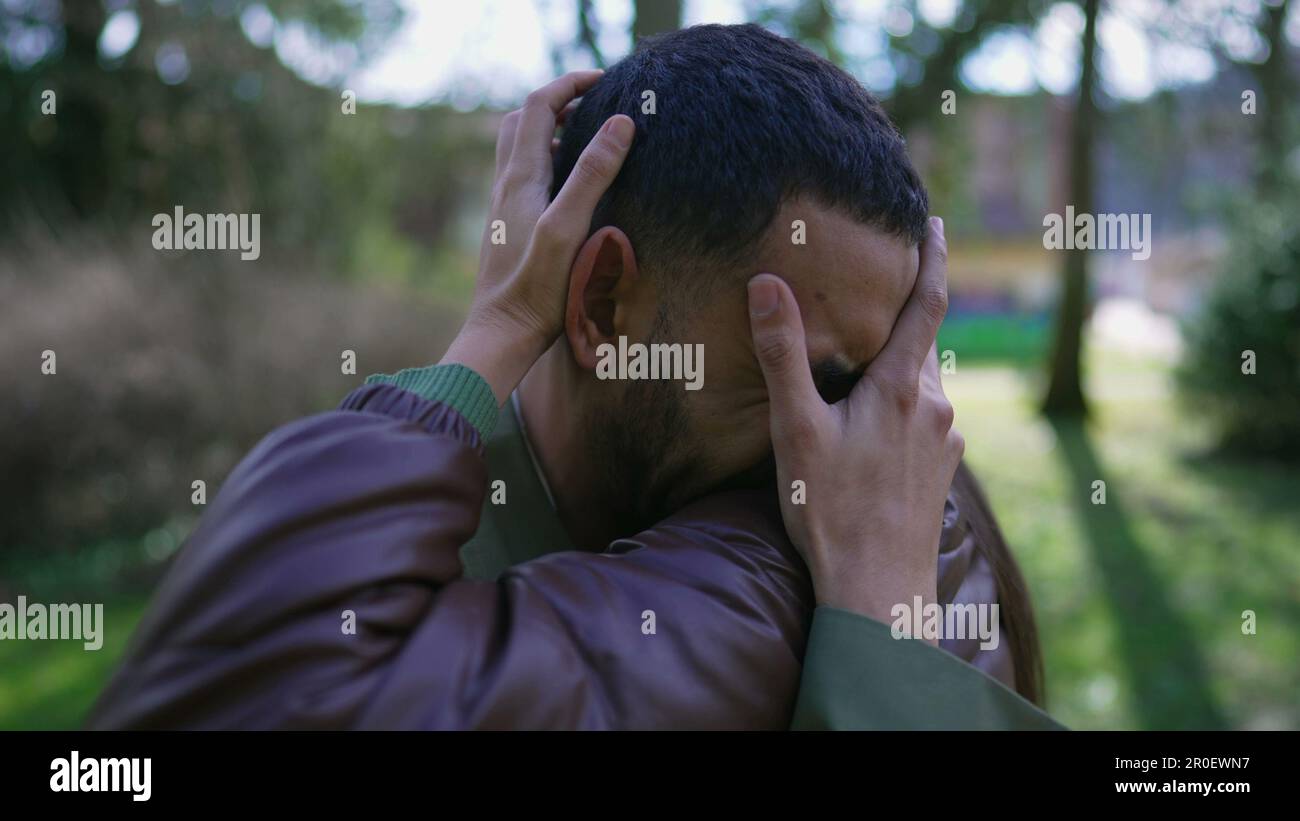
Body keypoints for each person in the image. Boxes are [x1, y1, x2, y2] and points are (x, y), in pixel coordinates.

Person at [90, 33, 1060, 730]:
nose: (841, 430)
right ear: (599, 304)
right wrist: (503, 323)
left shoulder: (899, 529)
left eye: (874, 374)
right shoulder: (415, 502)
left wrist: (888, 624)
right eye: (797, 370)